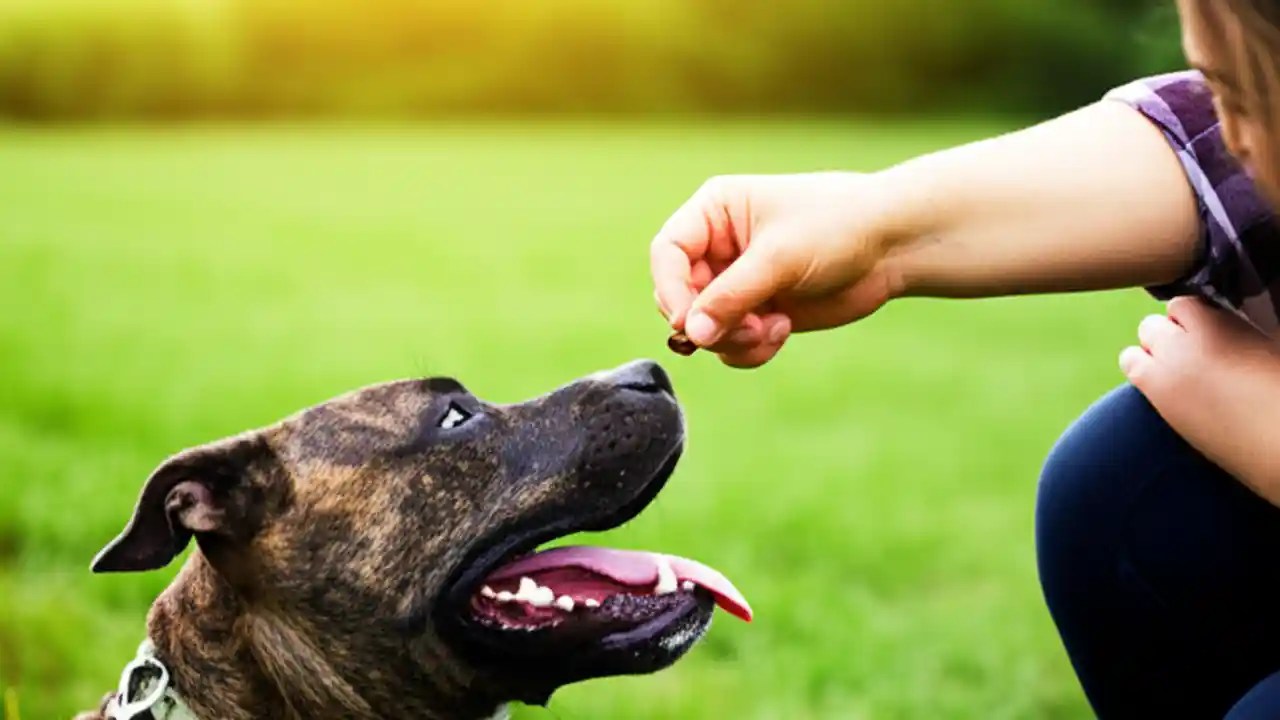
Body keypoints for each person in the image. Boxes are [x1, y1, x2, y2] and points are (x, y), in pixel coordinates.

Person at [648, 1, 1280, 717]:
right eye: (1222, 87)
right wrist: (877, 228)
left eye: (1248, 99)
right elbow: (1201, 154)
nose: (1234, 136)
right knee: (1125, 487)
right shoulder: (1237, 137)